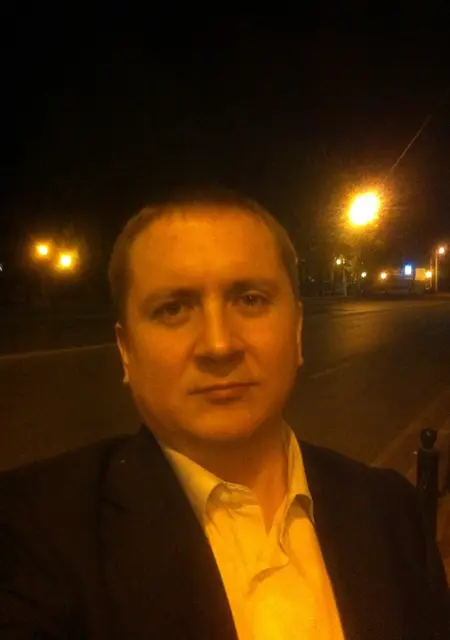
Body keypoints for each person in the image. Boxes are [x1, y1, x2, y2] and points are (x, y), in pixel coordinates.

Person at [0, 189, 448, 639]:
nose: (218, 345)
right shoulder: (31, 529)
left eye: (250, 300)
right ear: (126, 351)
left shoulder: (389, 510)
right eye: (173, 309)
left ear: (296, 331)